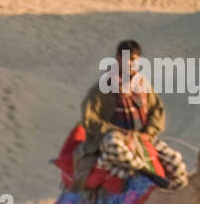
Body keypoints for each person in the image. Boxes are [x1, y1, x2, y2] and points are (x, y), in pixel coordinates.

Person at [69, 39, 167, 191]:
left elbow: (157, 110)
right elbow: (90, 119)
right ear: (118, 59)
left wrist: (148, 133)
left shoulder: (143, 85)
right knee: (113, 143)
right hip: (110, 138)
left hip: (141, 137)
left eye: (134, 60)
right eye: (128, 60)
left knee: (175, 160)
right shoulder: (102, 87)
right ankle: (146, 173)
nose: (131, 64)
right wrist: (118, 131)